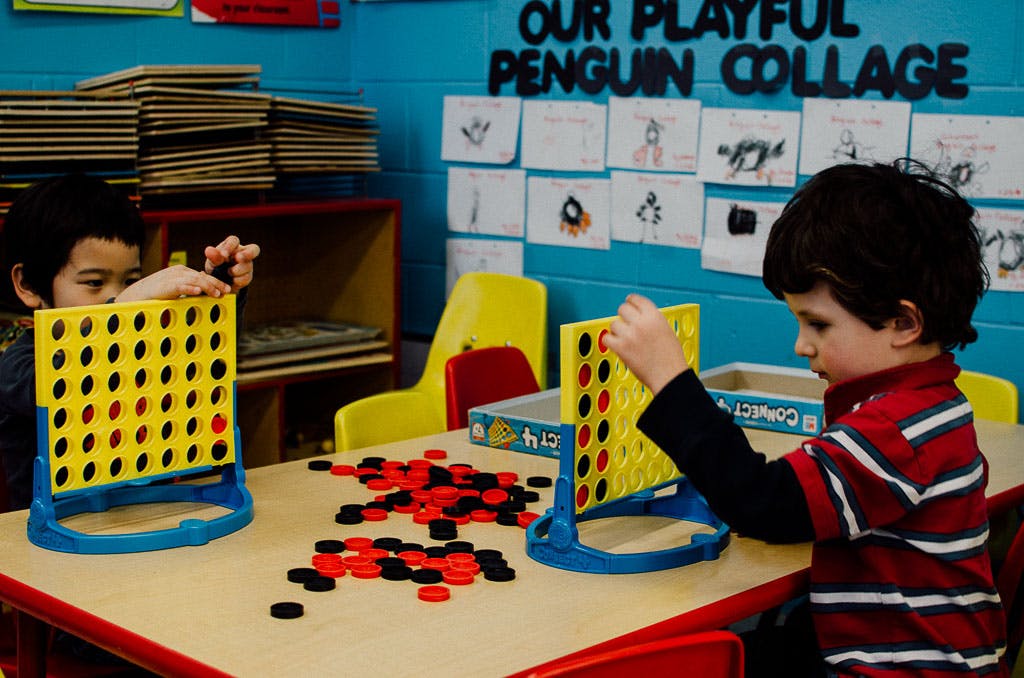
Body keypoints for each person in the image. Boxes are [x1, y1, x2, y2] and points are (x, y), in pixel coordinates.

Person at [604, 161, 1008, 677]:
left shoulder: (895, 430)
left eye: (817, 323)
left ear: (904, 323)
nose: (801, 345)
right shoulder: (932, 402)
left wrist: (670, 379)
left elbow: (765, 504)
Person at [0, 173, 260, 512]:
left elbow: (203, 359)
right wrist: (122, 307)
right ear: (28, 285)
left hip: (155, 519)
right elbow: (66, 385)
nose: (117, 295)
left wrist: (220, 290)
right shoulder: (17, 367)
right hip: (60, 543)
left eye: (131, 281)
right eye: (94, 283)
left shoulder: (146, 345)